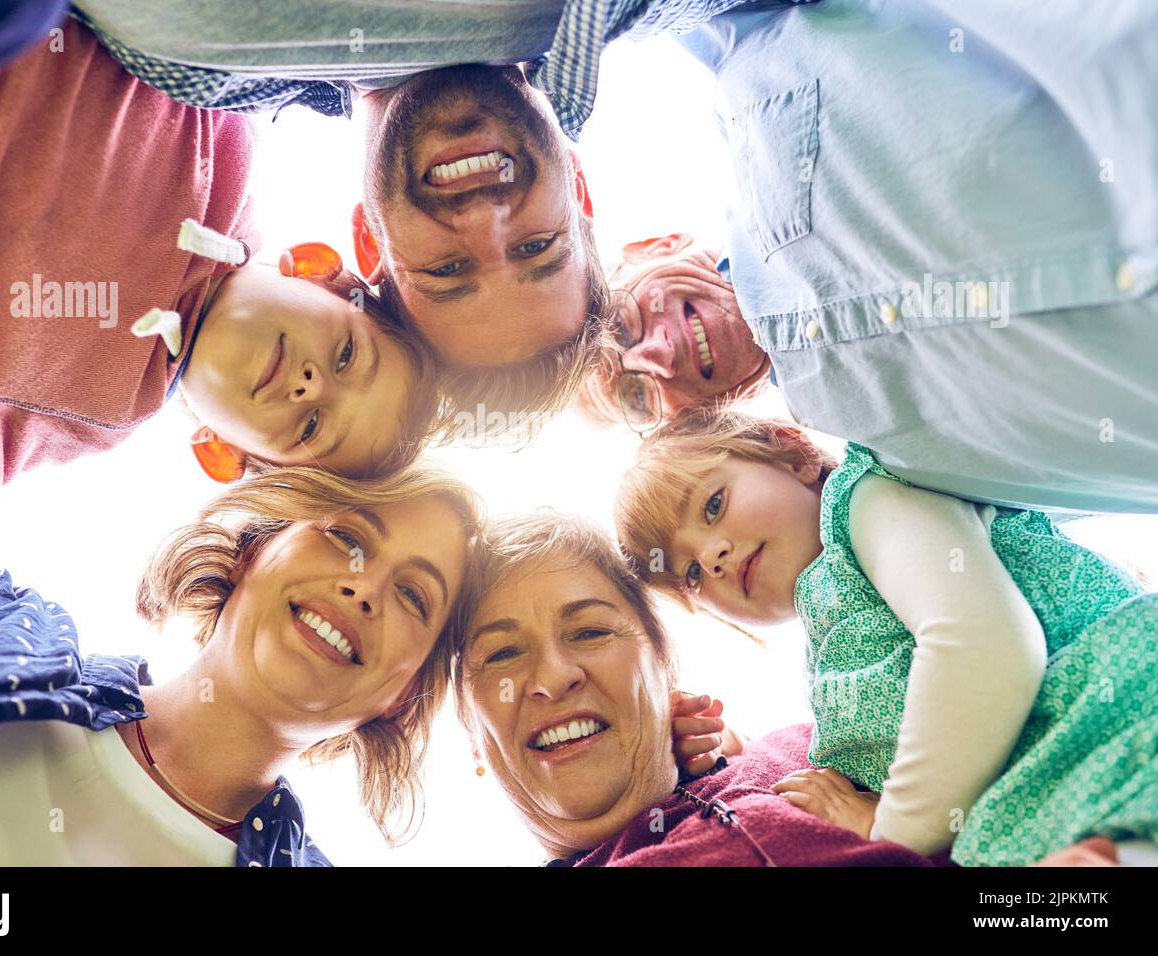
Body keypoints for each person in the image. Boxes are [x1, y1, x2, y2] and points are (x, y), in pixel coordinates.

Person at [60, 1, 793, 422]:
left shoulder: (197, 65)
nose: (487, 221)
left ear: (366, 244)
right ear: (579, 184)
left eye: (447, 269)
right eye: (539, 248)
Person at [0, 16, 442, 539]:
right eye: (345, 355)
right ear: (320, 272)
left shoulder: (85, 415)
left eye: (313, 425)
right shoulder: (230, 134)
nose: (311, 386)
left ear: (224, 454)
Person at [584, 0, 1158, 515]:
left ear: (651, 247)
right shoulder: (905, 483)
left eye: (621, 324)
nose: (656, 356)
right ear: (681, 428)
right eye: (637, 396)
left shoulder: (743, 58)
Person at [0, 462, 482, 865]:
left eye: (413, 596)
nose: (363, 586)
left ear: (403, 694)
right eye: (347, 538)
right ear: (255, 551)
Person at [614, 404, 1158, 865]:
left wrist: (891, 828)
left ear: (794, 453)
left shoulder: (866, 500)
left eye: (713, 506)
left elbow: (985, 648)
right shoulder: (830, 657)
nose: (712, 557)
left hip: (1120, 727)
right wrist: (728, 758)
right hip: (1056, 809)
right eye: (688, 573)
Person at [451, 510, 1126, 866]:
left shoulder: (838, 738)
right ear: (472, 739)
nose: (553, 676)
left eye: (591, 632)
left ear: (665, 670)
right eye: (504, 654)